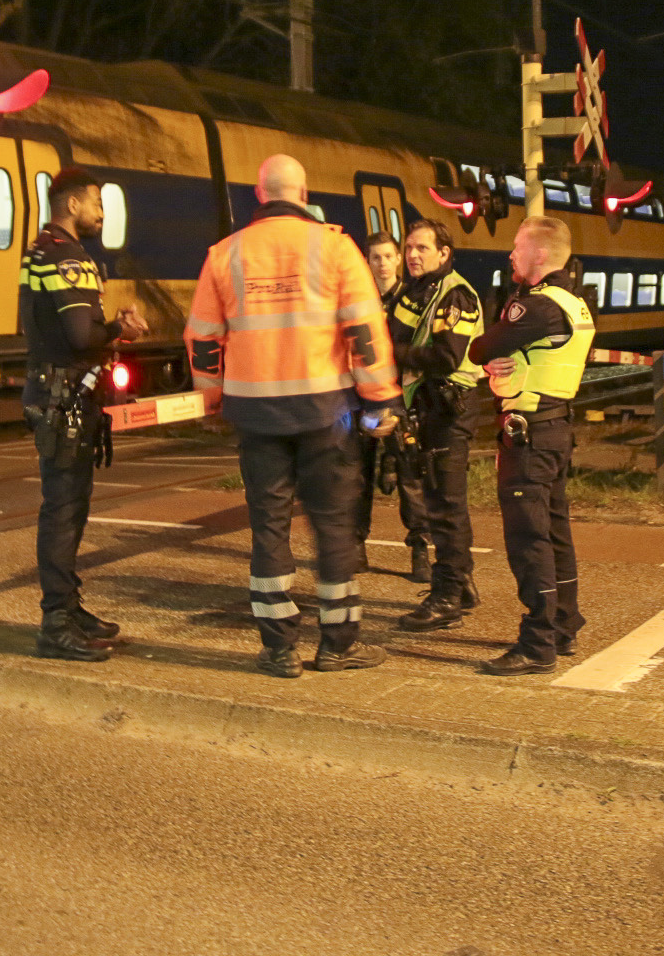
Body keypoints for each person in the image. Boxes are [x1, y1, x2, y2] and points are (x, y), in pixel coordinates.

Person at [188, 154, 401, 678]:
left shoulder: (224, 254)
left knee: (268, 526)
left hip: (255, 415)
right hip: (325, 410)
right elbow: (364, 330)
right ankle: (338, 644)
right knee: (333, 526)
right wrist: (380, 400)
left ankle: (279, 647)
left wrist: (212, 399)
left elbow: (202, 336)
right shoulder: (334, 246)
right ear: (304, 195)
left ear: (261, 195)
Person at [20, 166, 150, 661]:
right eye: (96, 201)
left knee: (68, 506)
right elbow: (79, 337)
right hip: (65, 399)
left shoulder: (41, 250)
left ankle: (68, 608)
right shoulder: (69, 256)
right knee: (62, 509)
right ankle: (56, 622)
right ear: (72, 204)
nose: (101, 210)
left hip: (55, 394)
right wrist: (119, 329)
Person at [467, 216, 595, 675]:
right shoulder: (573, 303)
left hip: (530, 435)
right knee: (555, 531)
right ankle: (564, 625)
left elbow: (481, 348)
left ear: (540, 254)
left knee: (528, 539)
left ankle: (536, 643)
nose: (511, 255)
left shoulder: (536, 307)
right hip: (555, 428)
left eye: (518, 247)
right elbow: (513, 356)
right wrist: (505, 361)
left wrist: (493, 357)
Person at [388, 219, 485, 632]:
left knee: (446, 505)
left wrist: (395, 353)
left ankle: (447, 597)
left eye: (422, 248)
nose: (413, 255)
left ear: (444, 253)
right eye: (409, 247)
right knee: (437, 500)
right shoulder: (418, 291)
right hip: (430, 408)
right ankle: (460, 586)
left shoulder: (455, 294)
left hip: (450, 408)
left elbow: (446, 357)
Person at [352, 231, 406, 573]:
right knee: (359, 474)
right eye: (376, 258)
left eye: (388, 256)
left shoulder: (412, 298)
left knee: (410, 479)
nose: (383, 264)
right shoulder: (360, 300)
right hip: (365, 399)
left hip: (401, 399)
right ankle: (357, 545)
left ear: (397, 259)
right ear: (367, 262)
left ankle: (418, 549)